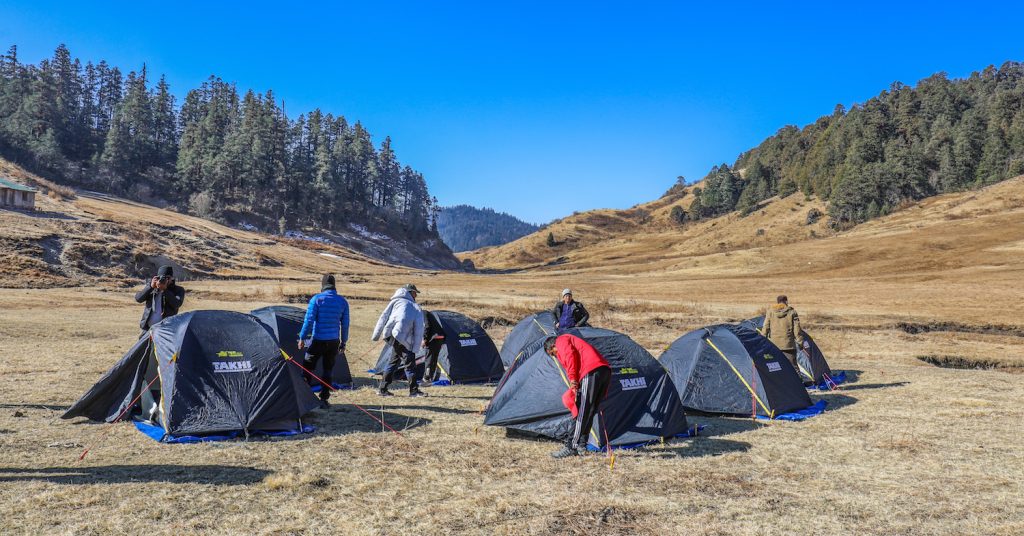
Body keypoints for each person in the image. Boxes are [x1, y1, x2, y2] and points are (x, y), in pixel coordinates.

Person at [544, 333, 611, 458]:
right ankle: (582, 445)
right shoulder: (571, 339)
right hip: (603, 371)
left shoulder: (561, 340)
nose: (555, 357)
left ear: (552, 347)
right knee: (590, 411)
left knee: (581, 410)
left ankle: (571, 446)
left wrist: (573, 379)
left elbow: (570, 356)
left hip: (591, 371)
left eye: (553, 354)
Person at [297, 274, 350, 408]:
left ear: (323, 285)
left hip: (318, 339)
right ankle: (324, 399)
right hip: (333, 341)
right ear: (334, 285)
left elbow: (308, 321)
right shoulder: (342, 301)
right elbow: (345, 325)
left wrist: (302, 338)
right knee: (328, 370)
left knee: (307, 367)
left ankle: (306, 397)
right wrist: (344, 342)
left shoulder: (317, 299)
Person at [371, 284, 426, 397]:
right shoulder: (415, 307)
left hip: (393, 336)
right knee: (410, 365)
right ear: (410, 292)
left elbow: (383, 317)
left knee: (393, 363)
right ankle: (414, 391)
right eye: (415, 293)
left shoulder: (395, 302)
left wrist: (376, 335)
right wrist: (415, 347)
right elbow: (419, 329)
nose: (416, 295)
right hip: (404, 340)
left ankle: (382, 390)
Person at [134, 265, 186, 336]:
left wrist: (165, 290)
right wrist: (150, 287)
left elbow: (176, 304)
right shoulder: (152, 287)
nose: (163, 280)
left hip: (165, 330)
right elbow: (138, 299)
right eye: (160, 277)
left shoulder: (178, 290)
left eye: (167, 278)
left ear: (172, 278)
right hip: (148, 329)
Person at [761, 295, 807, 370]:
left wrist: (762, 342)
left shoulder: (770, 312)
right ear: (786, 301)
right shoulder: (792, 312)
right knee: (793, 368)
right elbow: (797, 329)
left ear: (777, 302)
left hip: (774, 345)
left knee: (778, 368)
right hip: (788, 345)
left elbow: (765, 327)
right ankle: (796, 381)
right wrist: (800, 342)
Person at [421, 311, 445, 383]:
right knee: (434, 359)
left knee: (429, 359)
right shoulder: (427, 313)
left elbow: (427, 325)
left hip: (434, 338)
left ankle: (426, 378)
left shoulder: (423, 313)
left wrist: (424, 339)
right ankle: (431, 377)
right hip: (439, 338)